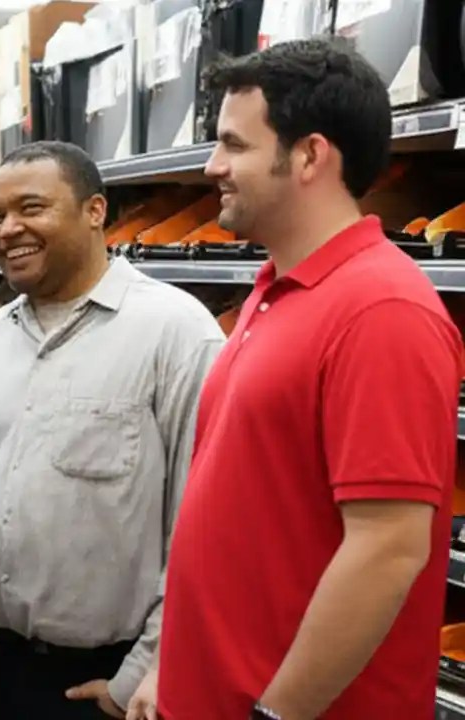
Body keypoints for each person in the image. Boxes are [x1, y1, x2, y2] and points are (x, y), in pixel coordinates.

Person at [151, 39, 463, 720]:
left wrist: (278, 713)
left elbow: (387, 548)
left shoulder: (382, 311)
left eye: (234, 145)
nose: (213, 167)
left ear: (311, 155)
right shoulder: (274, 291)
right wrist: (170, 664)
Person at [0, 140, 225, 720]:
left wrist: (141, 672)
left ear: (95, 212)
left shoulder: (176, 332)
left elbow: (205, 528)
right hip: (3, 669)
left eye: (32, 208)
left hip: (110, 681)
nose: (8, 230)